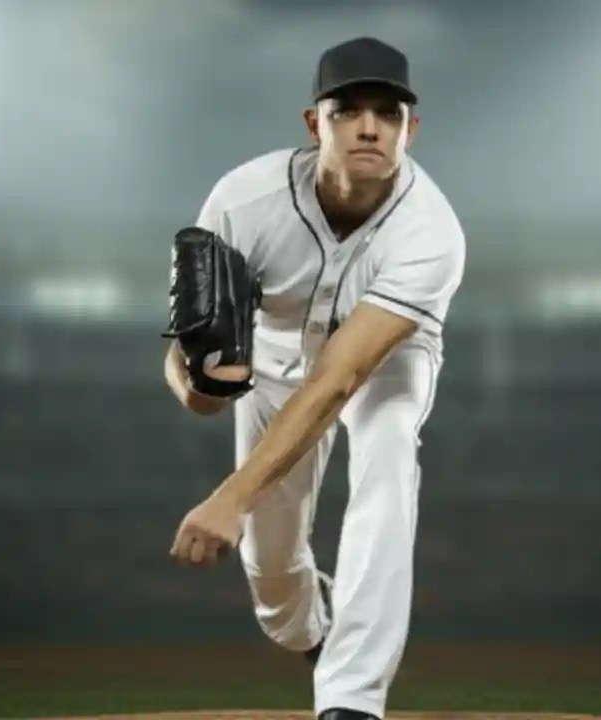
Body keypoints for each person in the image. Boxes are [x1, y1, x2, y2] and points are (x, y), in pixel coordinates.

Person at [163, 36, 466, 720]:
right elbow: (185, 370)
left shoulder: (431, 232)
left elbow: (340, 378)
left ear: (410, 129)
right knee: (271, 572)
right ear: (314, 123)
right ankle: (312, 629)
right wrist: (202, 387)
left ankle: (352, 696)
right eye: (347, 110)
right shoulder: (244, 201)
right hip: (272, 358)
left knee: (389, 443)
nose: (369, 127)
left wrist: (230, 497)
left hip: (387, 357)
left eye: (387, 113)